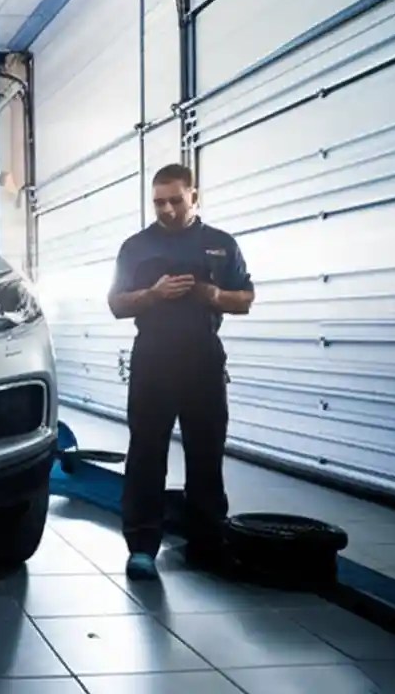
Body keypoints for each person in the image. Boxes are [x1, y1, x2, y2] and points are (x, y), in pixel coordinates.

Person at [107, 163, 255, 580]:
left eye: (175, 200)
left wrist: (213, 294)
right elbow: (116, 304)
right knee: (146, 454)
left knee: (206, 453)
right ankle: (141, 547)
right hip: (153, 359)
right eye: (158, 202)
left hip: (203, 358)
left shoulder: (221, 244)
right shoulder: (136, 247)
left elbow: (245, 298)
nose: (167, 209)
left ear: (194, 197)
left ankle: (207, 544)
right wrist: (154, 294)